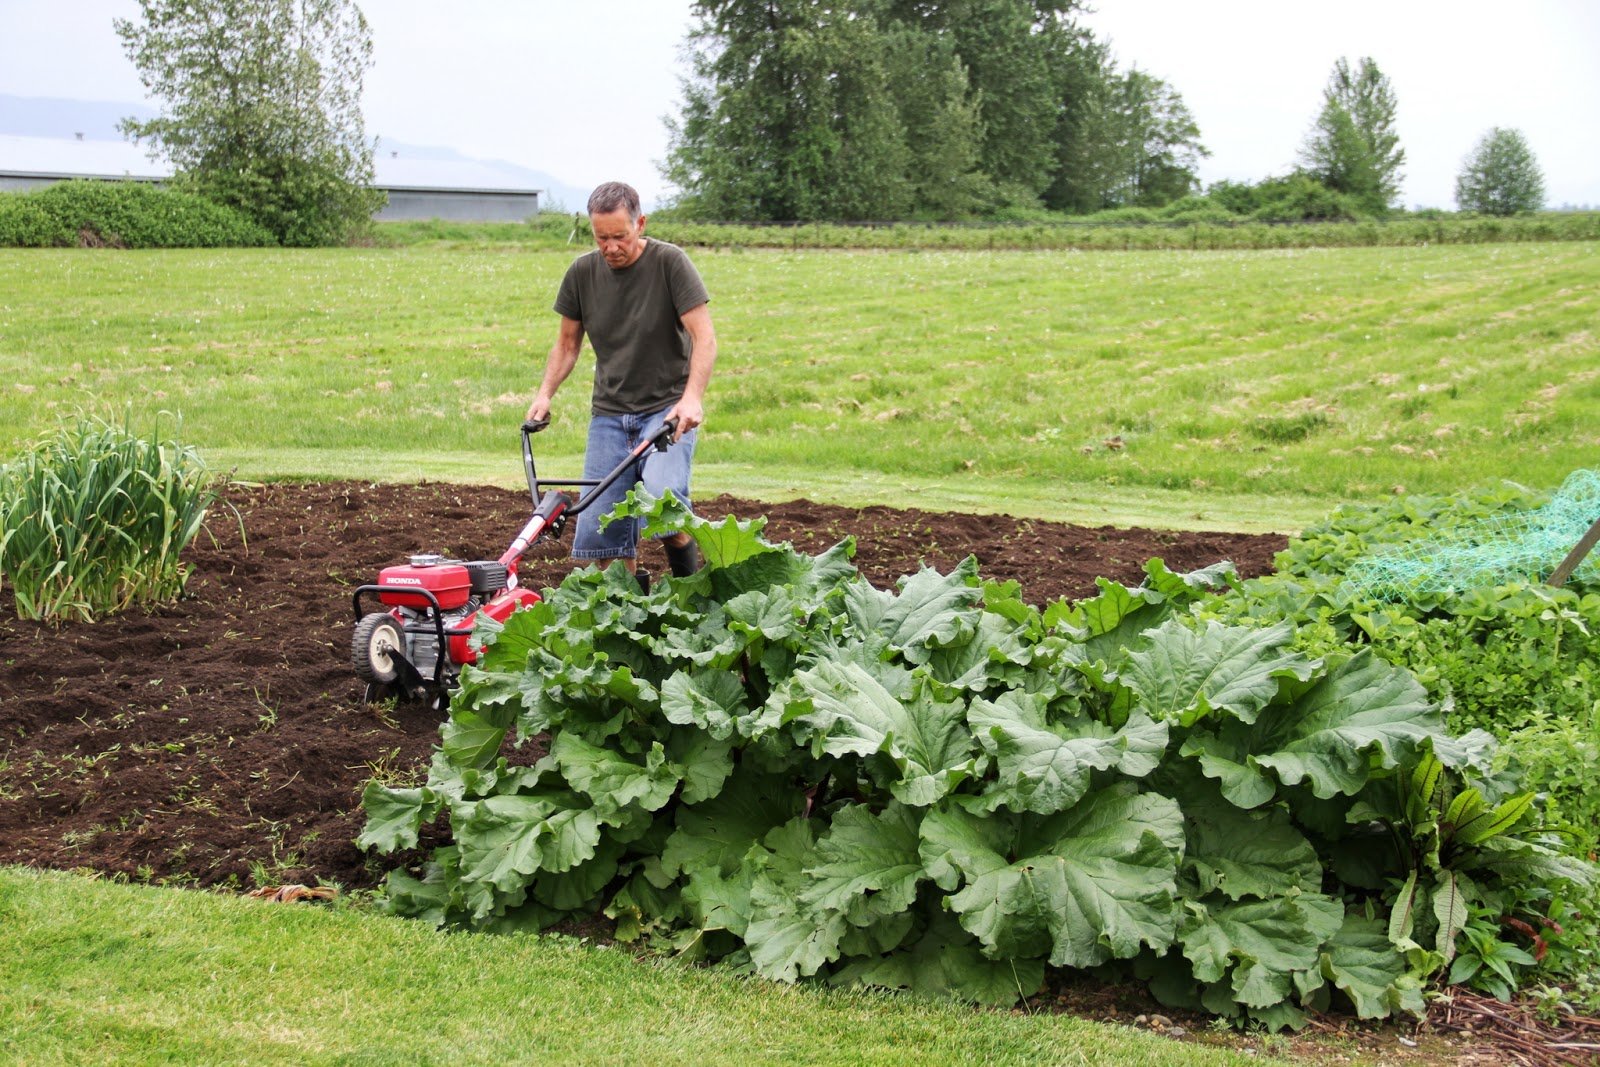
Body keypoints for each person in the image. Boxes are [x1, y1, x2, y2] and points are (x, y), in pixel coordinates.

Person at [525, 181, 717, 581]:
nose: (611, 247)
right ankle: (628, 614)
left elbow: (704, 336)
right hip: (610, 415)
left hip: (666, 413)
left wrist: (692, 398)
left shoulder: (670, 263)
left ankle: (693, 593)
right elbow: (566, 345)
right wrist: (544, 395)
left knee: (666, 514)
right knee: (603, 535)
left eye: (620, 236)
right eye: (602, 238)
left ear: (640, 223)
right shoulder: (581, 273)